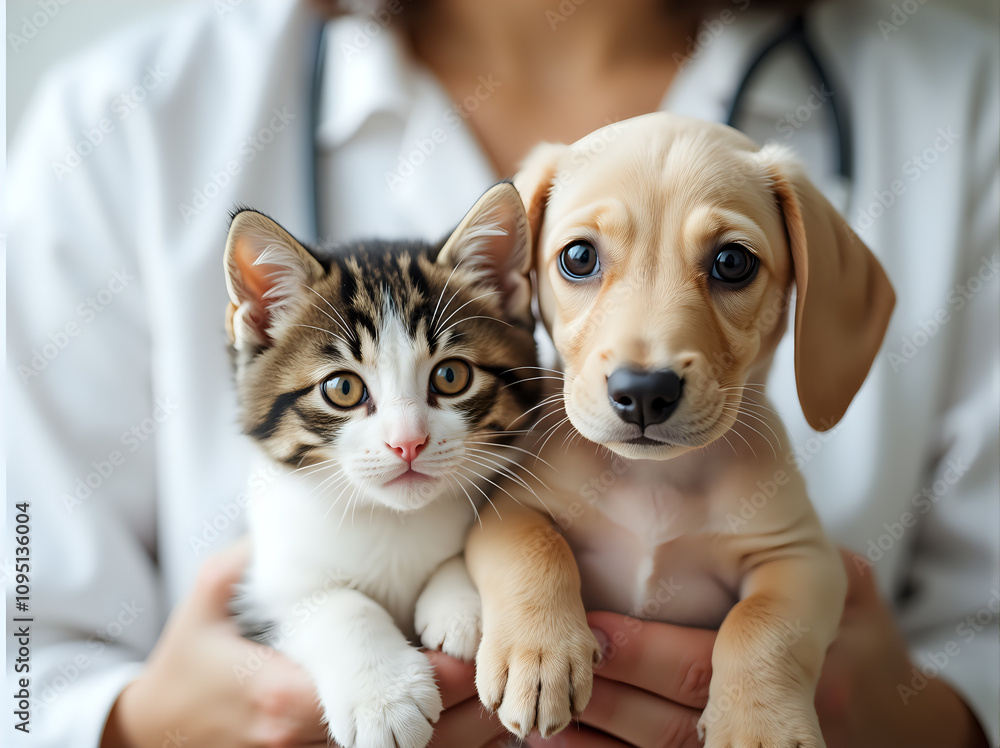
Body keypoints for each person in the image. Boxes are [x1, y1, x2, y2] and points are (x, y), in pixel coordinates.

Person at [6, 1, 997, 746]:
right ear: (526, 281)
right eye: (577, 261)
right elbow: (21, 652)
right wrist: (138, 722)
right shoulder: (123, 121)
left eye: (729, 263)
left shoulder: (961, 100)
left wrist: (924, 716)